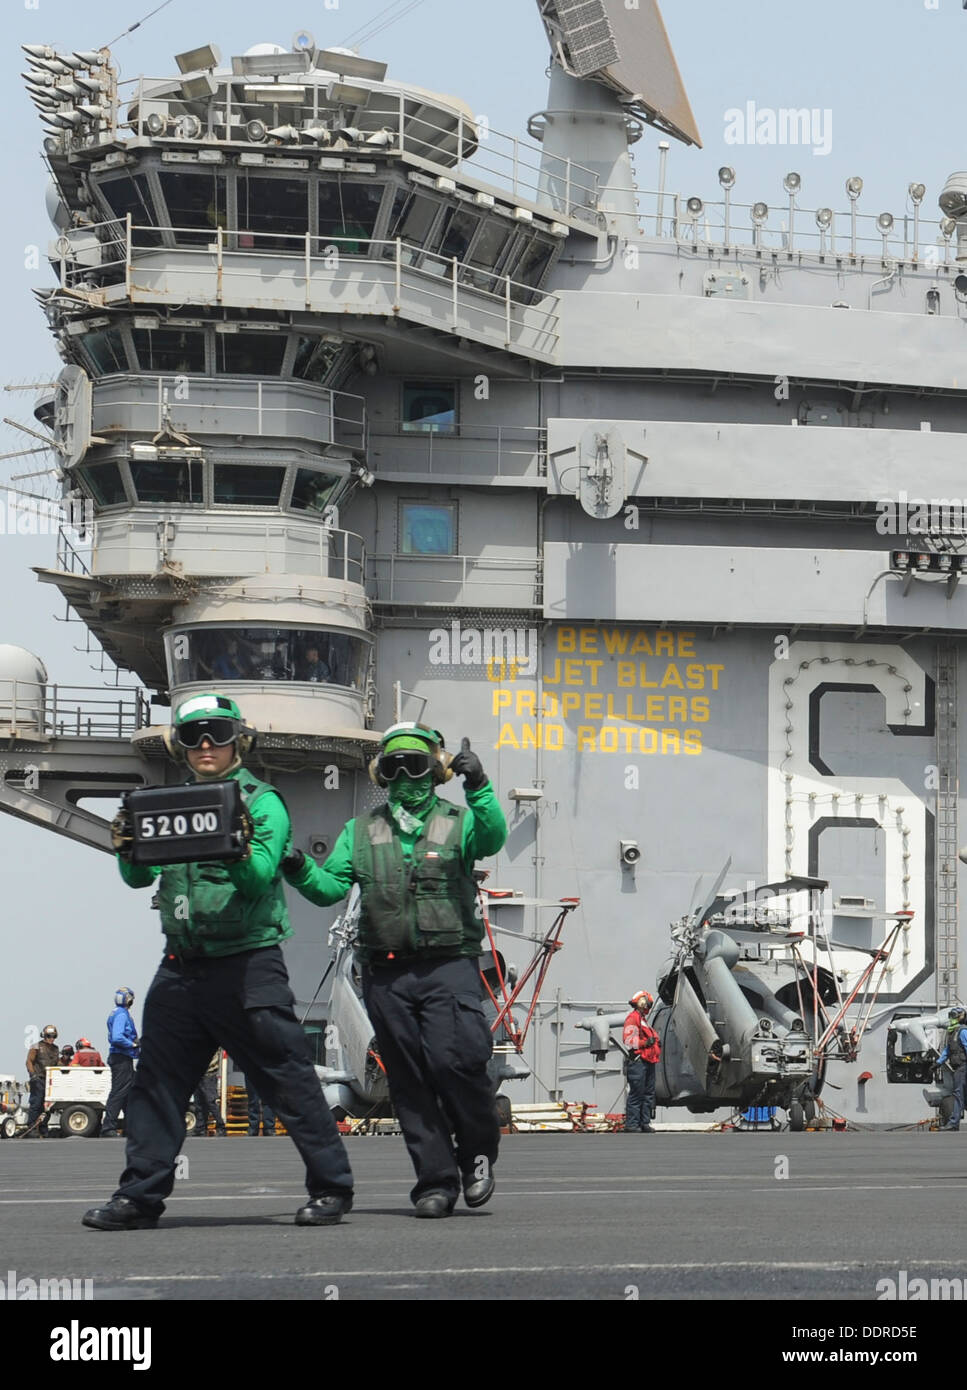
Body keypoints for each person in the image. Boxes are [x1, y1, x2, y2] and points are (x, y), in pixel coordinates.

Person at [82, 693, 354, 1231]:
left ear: (238, 740)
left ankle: (332, 1188)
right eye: (193, 735)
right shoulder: (165, 806)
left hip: (248, 966)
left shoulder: (265, 803)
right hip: (181, 966)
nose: (206, 744)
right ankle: (139, 1198)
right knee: (156, 1085)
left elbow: (256, 880)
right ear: (180, 746)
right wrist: (126, 846)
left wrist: (233, 841)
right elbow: (137, 880)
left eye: (217, 733)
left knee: (289, 1081)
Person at [284, 723, 506, 1218]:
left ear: (436, 770)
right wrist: (297, 865)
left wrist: (480, 786)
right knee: (407, 1080)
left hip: (448, 964)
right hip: (387, 973)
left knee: (457, 1063)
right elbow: (328, 887)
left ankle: (476, 1155)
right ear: (381, 775)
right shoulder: (361, 833)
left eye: (417, 764)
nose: (406, 775)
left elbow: (492, 838)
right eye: (394, 766)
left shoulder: (458, 821)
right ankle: (436, 1182)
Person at [100, 988, 140, 1138]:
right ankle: (108, 1127)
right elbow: (117, 1037)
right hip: (121, 1058)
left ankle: (131, 1127)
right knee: (118, 1092)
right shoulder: (122, 1014)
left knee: (130, 1094)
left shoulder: (116, 1013)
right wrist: (133, 1044)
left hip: (123, 1058)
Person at [623, 990, 661, 1133]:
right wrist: (646, 1043)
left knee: (648, 1093)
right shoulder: (633, 1018)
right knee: (637, 1093)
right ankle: (632, 1124)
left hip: (649, 1061)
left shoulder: (643, 1021)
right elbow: (628, 1041)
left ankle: (644, 1122)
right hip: (639, 1062)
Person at [25, 1025, 60, 1136]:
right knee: (36, 1103)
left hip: (50, 1081)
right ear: (44, 1036)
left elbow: (57, 1063)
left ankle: (43, 1128)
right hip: (38, 1078)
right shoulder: (36, 1046)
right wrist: (33, 1075)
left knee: (47, 1106)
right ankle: (31, 1127)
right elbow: (29, 1061)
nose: (51, 1038)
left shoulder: (55, 1049)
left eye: (53, 1036)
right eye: (49, 1036)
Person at [937, 1007, 967, 1131]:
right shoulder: (953, 1032)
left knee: (958, 1094)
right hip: (959, 1067)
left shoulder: (962, 1031)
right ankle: (953, 1122)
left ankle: (953, 1123)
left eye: (954, 1016)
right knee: (959, 1094)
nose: (951, 1018)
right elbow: (948, 1050)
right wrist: (938, 1062)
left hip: (963, 1067)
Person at [192, 1051, 227, 1136]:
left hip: (208, 1074)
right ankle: (200, 1128)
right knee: (199, 1103)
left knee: (210, 1102)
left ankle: (221, 1126)